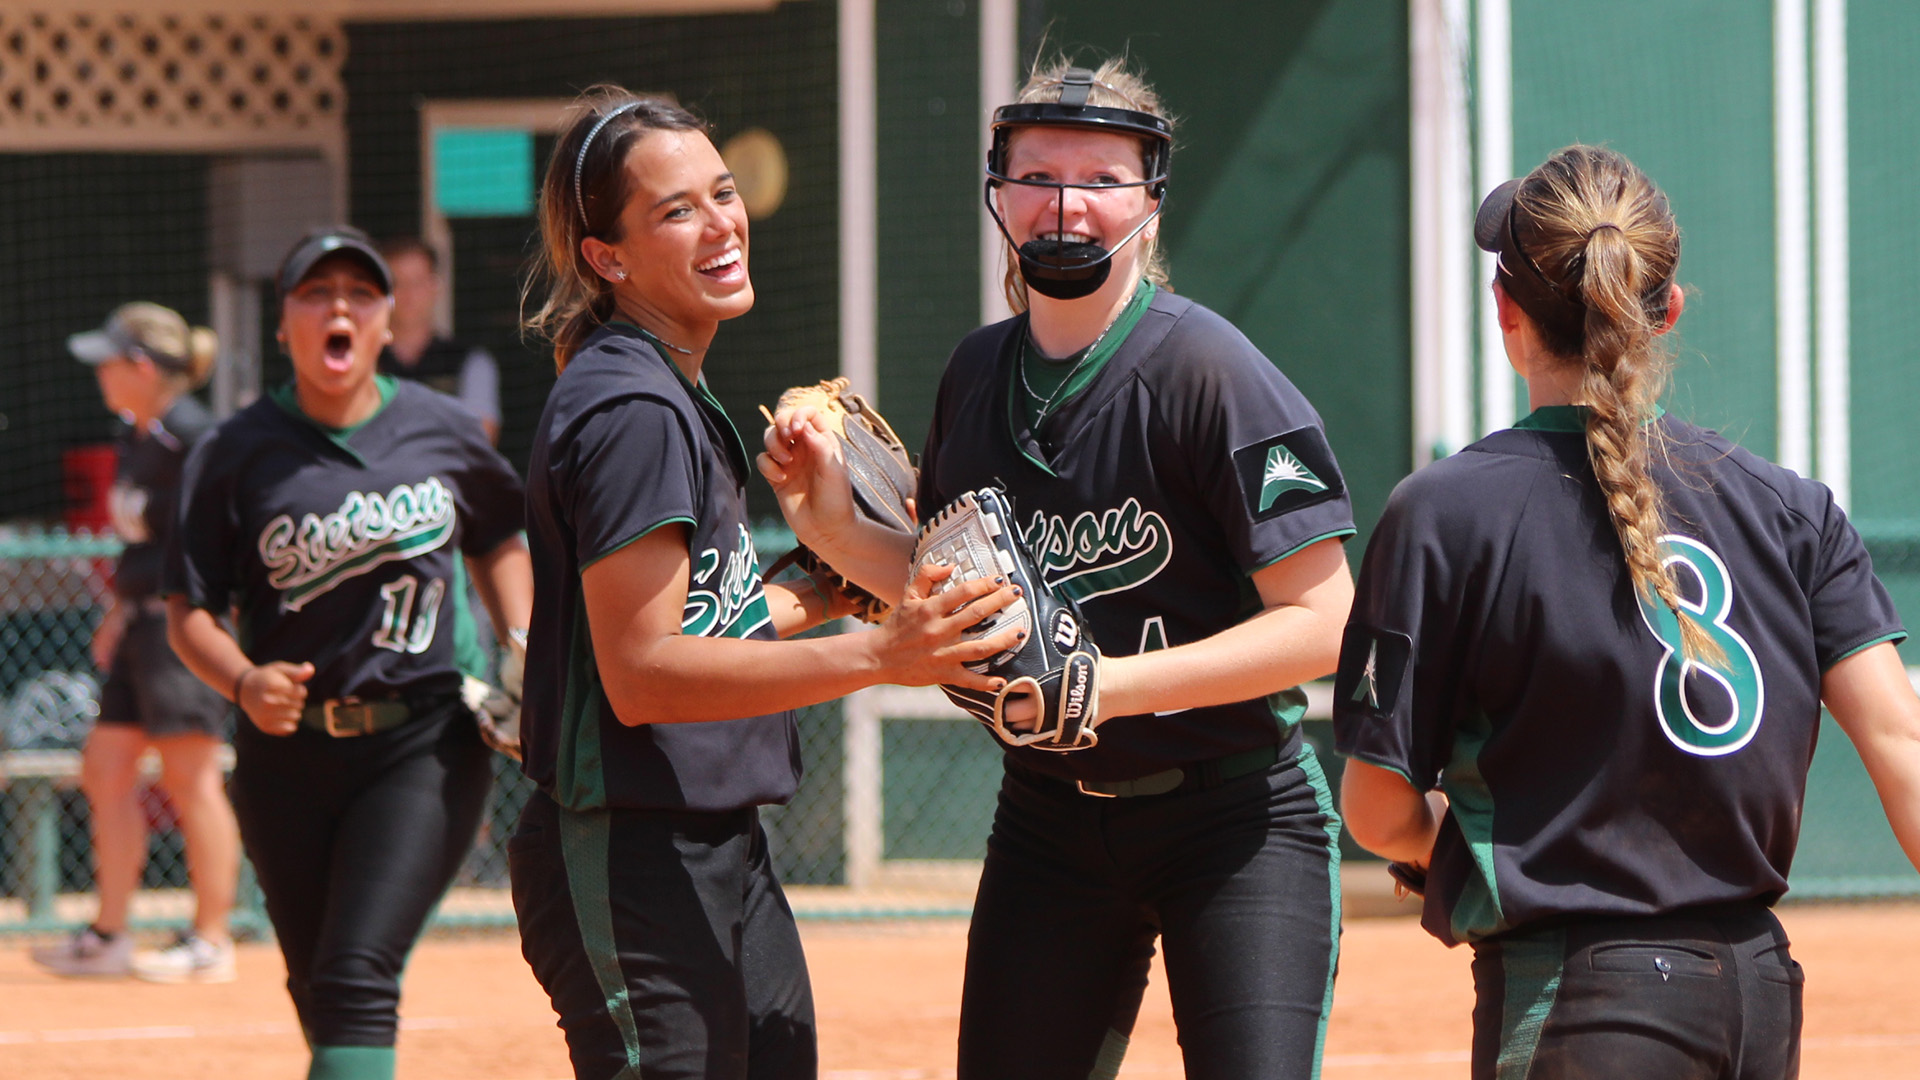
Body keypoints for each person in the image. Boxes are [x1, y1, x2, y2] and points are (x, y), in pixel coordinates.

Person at [763, 58, 1355, 1079]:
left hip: (1235, 816)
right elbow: (958, 591)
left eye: (1100, 176)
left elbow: (1325, 622)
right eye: (1037, 174)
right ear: (1001, 194)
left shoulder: (1212, 373)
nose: (1065, 204)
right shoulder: (976, 371)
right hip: (1049, 820)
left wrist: (1108, 688)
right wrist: (829, 526)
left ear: (1150, 206)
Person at [1333, 144, 1920, 1079]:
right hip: (1760, 996)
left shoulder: (1445, 511)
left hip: (1585, 999)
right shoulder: (1791, 507)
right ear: (1668, 310)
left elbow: (1374, 809)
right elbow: (1906, 754)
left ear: (1506, 314)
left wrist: (1470, 838)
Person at [511, 87, 1023, 1080]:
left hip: (710, 846)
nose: (720, 223)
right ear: (605, 258)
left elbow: (700, 621)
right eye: (676, 210)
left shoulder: (664, 389)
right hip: (627, 852)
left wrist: (824, 587)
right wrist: (879, 653)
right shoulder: (634, 410)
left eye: (723, 192)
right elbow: (643, 673)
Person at [165, 226, 533, 1080]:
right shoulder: (232, 451)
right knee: (320, 988)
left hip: (420, 744)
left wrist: (518, 639)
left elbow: (499, 536)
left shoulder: (440, 427)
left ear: (385, 319)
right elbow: (188, 612)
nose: (339, 308)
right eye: (315, 294)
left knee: (355, 976)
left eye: (359, 295)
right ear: (285, 323)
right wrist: (244, 679)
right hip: (283, 759)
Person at [29, 303, 242, 983]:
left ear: (143, 367)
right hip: (142, 623)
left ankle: (211, 938)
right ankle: (109, 932)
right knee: (107, 767)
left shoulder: (195, 435)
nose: (101, 375)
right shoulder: (140, 436)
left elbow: (223, 537)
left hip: (187, 624)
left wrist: (199, 616)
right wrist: (119, 609)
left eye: (110, 362)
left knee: (191, 774)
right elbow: (142, 543)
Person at [377, 236, 502, 443]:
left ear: (435, 286)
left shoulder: (471, 361)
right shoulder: (363, 362)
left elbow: (480, 440)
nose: (408, 294)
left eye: (417, 282)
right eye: (397, 283)